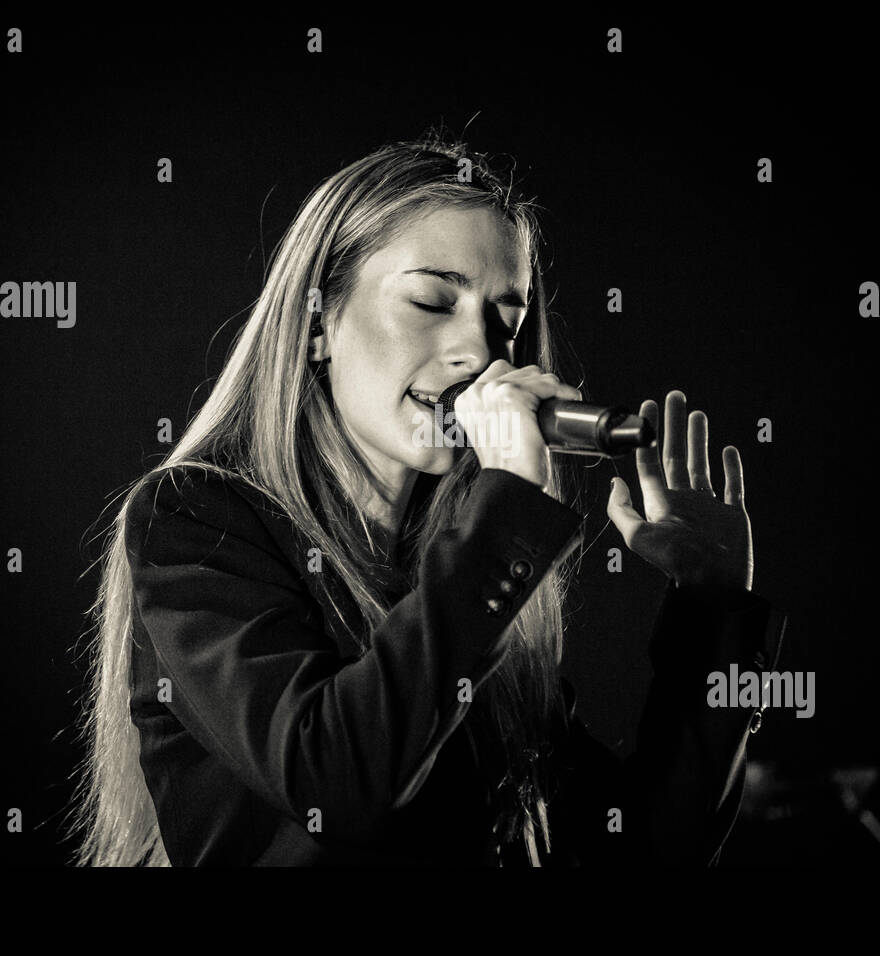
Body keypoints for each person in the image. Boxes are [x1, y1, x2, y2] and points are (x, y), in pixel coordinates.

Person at [67, 131, 786, 867]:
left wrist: (713, 608)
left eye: (505, 319)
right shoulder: (197, 521)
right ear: (319, 323)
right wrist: (508, 513)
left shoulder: (463, 579)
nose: (479, 352)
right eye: (432, 300)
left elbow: (647, 850)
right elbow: (335, 782)